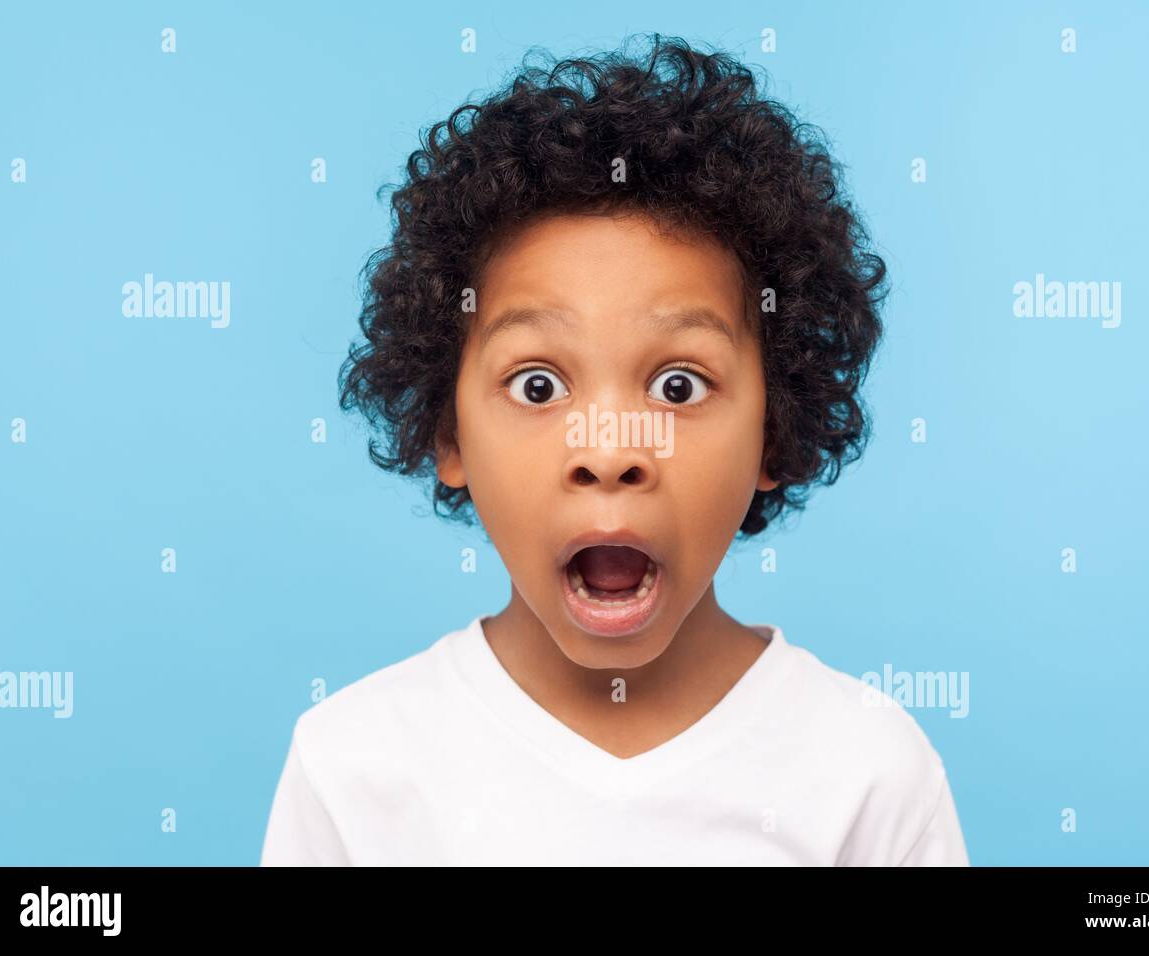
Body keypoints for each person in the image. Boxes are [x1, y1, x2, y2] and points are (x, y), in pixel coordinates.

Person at [261, 33, 968, 866]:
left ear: (774, 429)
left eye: (677, 387)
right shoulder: (353, 767)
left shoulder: (869, 773)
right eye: (537, 386)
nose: (609, 450)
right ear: (447, 435)